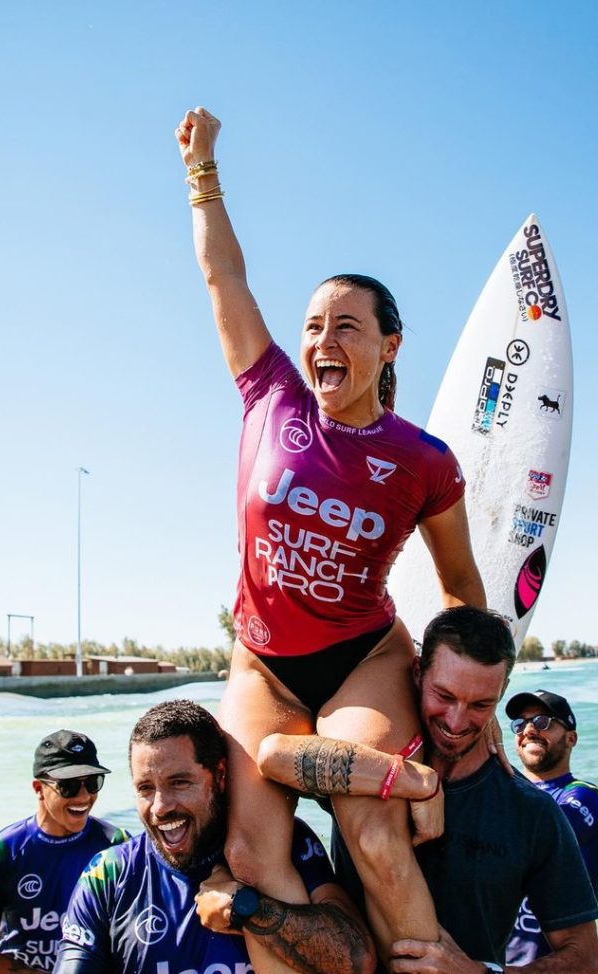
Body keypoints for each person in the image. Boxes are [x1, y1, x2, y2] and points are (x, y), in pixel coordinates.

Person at [174, 104, 486, 966]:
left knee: (374, 832)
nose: (322, 341)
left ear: (389, 346)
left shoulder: (422, 459)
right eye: (313, 326)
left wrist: (472, 709)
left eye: (346, 326)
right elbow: (222, 278)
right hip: (264, 661)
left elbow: (461, 590)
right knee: (249, 857)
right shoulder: (268, 394)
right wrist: (202, 174)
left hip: (362, 657)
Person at [257, 606, 598, 973]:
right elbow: (273, 756)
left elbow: (588, 961)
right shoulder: (368, 769)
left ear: (501, 695)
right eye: (444, 696)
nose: (456, 721)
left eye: (480, 705)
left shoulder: (532, 813)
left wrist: (480, 973)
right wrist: (411, 781)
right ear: (418, 672)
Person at [53, 700, 375, 974]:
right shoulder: (108, 875)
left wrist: (246, 909)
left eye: (179, 783)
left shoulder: (283, 840)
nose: (160, 808)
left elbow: (357, 959)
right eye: (146, 789)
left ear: (220, 776)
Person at [0, 730, 129, 973]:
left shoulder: (117, 846)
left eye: (92, 783)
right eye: (68, 786)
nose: (84, 796)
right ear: (38, 788)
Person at [504, 689, 598, 966]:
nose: (528, 730)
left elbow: (552, 826)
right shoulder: (502, 791)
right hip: (499, 959)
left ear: (571, 738)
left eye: (542, 722)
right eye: (520, 724)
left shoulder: (583, 795)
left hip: (557, 962)